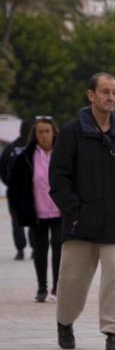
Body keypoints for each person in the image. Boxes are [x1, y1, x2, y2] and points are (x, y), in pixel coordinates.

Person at [51, 73, 115, 350]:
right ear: (90, 95)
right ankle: (65, 322)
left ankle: (113, 332)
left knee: (114, 276)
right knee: (72, 280)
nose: (111, 98)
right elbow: (58, 176)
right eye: (105, 92)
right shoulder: (71, 133)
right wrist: (74, 210)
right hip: (80, 221)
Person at [8, 116, 64, 302]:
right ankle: (42, 287)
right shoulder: (26, 156)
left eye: (47, 131)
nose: (44, 135)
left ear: (53, 132)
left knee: (58, 248)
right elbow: (14, 184)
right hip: (37, 213)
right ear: (35, 134)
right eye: (40, 132)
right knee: (40, 250)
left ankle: (57, 287)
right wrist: (18, 206)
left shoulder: (64, 153)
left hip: (60, 213)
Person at [0, 120, 32, 260]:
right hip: (32, 191)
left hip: (15, 191)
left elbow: (2, 169)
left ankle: (20, 250)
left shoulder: (10, 148)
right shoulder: (36, 147)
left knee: (17, 222)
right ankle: (35, 249)